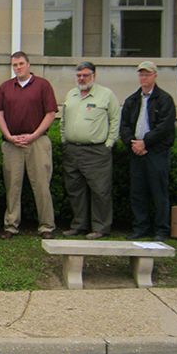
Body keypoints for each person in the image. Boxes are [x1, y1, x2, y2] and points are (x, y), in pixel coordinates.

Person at [0, 52, 58, 240]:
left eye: (21, 64)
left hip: (37, 142)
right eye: (15, 65)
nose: (18, 67)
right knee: (12, 187)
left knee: (41, 185)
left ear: (28, 64)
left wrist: (33, 135)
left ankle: (46, 226)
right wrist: (9, 136)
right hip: (12, 144)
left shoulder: (42, 85)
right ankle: (11, 226)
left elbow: (51, 113)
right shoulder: (5, 87)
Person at [60, 62, 121, 240]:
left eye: (85, 75)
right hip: (72, 151)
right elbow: (63, 120)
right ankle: (79, 225)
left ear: (94, 76)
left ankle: (101, 228)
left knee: (100, 190)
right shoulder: (71, 94)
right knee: (74, 190)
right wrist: (64, 140)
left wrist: (109, 143)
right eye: (78, 75)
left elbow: (115, 120)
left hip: (96, 152)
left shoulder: (106, 95)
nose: (81, 79)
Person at [119, 61, 176, 242]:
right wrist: (133, 144)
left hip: (157, 153)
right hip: (137, 153)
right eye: (141, 74)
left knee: (159, 192)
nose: (144, 78)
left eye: (147, 74)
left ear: (155, 76)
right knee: (138, 192)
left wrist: (146, 143)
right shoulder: (132, 100)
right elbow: (125, 126)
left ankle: (161, 230)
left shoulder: (164, 99)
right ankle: (140, 228)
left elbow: (164, 128)